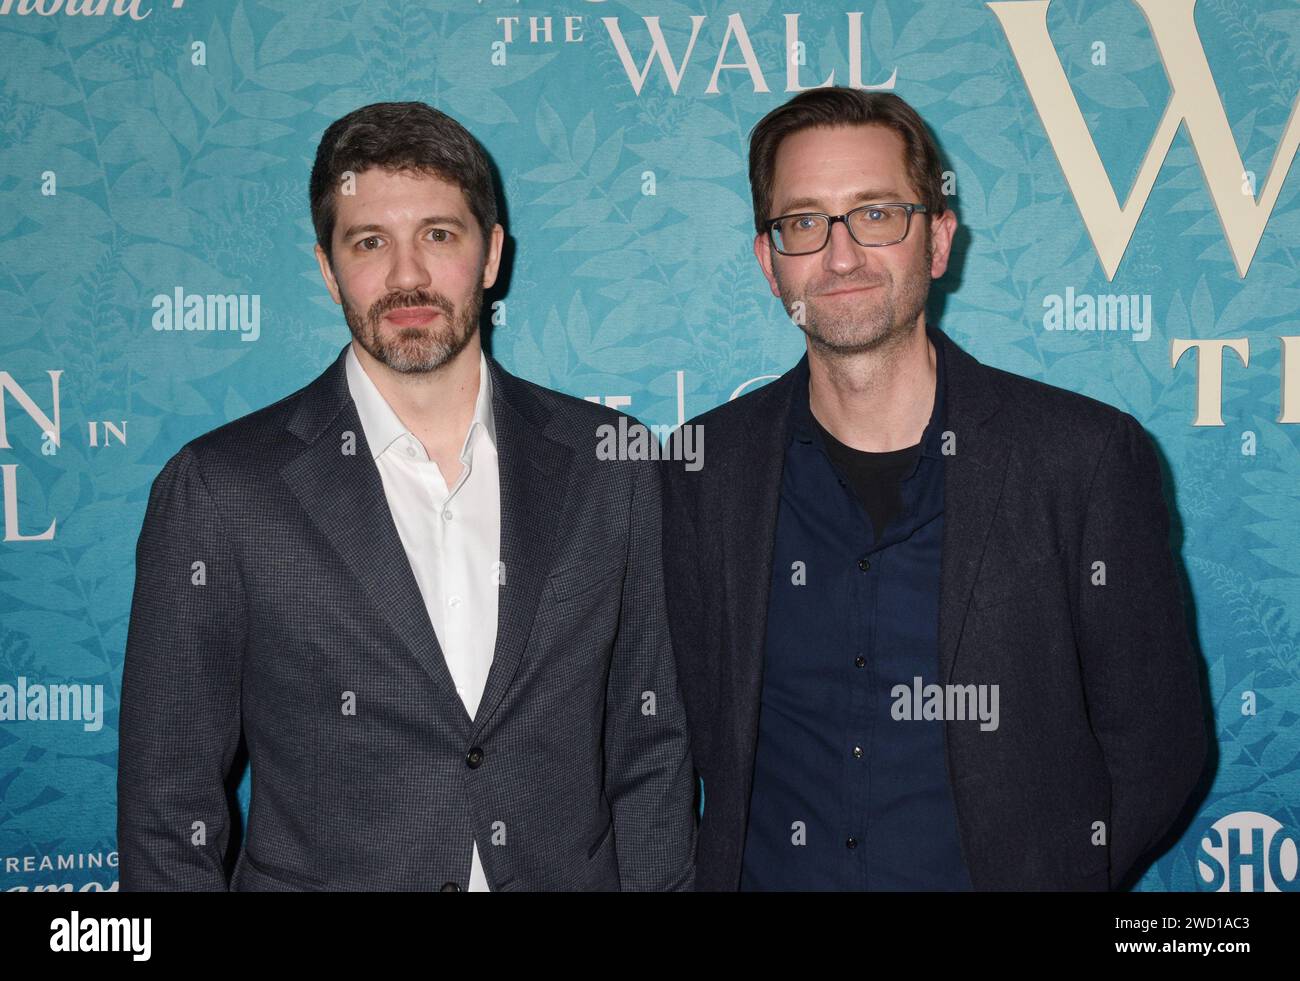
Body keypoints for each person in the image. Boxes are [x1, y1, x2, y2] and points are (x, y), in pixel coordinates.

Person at [118, 101, 695, 891]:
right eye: (369, 242)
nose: (407, 276)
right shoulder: (221, 490)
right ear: (327, 269)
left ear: (491, 255)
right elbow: (166, 806)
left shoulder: (612, 464)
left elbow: (650, 750)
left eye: (439, 234)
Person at [661, 87, 1206, 890]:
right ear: (769, 263)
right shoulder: (703, 468)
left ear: (939, 240)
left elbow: (1160, 743)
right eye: (804, 222)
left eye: (876, 214)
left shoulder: (1081, 458)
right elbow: (670, 735)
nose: (840, 256)